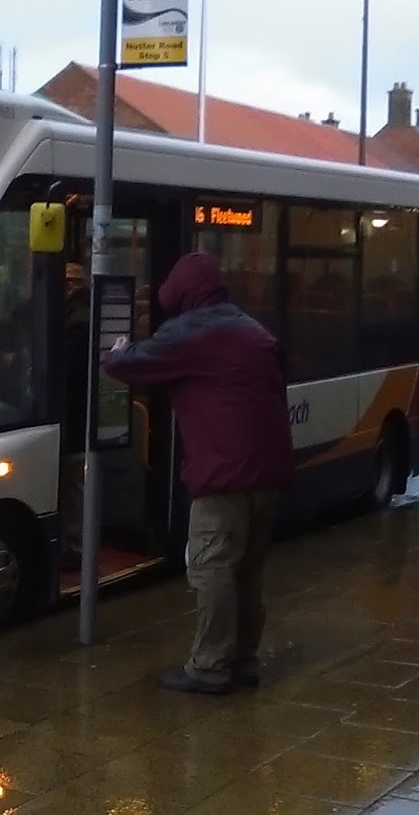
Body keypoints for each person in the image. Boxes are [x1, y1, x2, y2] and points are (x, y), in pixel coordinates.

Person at [103, 252, 295, 694]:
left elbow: (130, 365)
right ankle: (243, 659)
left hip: (224, 474)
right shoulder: (250, 328)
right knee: (246, 572)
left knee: (212, 568)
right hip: (269, 472)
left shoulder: (193, 330)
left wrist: (118, 352)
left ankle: (209, 667)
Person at [60, 262, 90, 569]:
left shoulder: (79, 317)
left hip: (75, 412)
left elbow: (67, 364)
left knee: (73, 483)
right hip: (72, 412)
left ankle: (80, 547)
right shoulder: (73, 313)